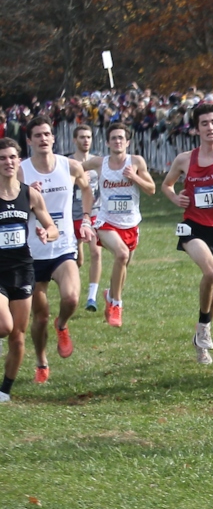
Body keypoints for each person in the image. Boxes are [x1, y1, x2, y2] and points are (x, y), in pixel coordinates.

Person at [158, 102, 213, 364]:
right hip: (193, 227)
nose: (210, 127)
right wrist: (176, 200)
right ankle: (203, 328)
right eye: (204, 123)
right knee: (211, 273)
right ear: (196, 129)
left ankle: (201, 340)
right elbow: (166, 185)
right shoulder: (185, 159)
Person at [22, 115, 92, 384]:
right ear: (29, 141)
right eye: (37, 135)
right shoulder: (22, 171)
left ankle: (62, 324)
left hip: (63, 246)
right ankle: (41, 361)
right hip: (31, 252)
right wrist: (25, 194)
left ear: (54, 138)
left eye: (46, 134)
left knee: (72, 298)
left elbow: (87, 190)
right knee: (39, 317)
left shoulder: (70, 166)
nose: (43, 139)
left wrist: (85, 219)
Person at [0, 138, 64, 401]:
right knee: (4, 326)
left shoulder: (30, 194)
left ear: (19, 160)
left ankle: (4, 391)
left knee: (17, 337)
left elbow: (53, 228)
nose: (8, 162)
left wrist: (46, 234)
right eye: (2, 158)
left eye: (12, 157)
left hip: (23, 270)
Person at [85, 123, 153, 327]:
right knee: (121, 255)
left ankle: (110, 295)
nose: (117, 141)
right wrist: (81, 177)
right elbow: (73, 170)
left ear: (128, 142)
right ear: (107, 142)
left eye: (121, 138)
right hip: (106, 221)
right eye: (113, 138)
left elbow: (151, 189)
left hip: (131, 223)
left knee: (123, 265)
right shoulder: (99, 162)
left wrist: (134, 177)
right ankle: (116, 304)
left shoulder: (136, 161)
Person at [69, 124, 100, 311]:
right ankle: (72, 291)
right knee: (78, 261)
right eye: (81, 137)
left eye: (88, 137)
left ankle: (92, 298)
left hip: (94, 213)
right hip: (72, 214)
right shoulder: (68, 163)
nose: (85, 140)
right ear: (75, 140)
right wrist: (78, 178)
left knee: (96, 253)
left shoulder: (98, 162)